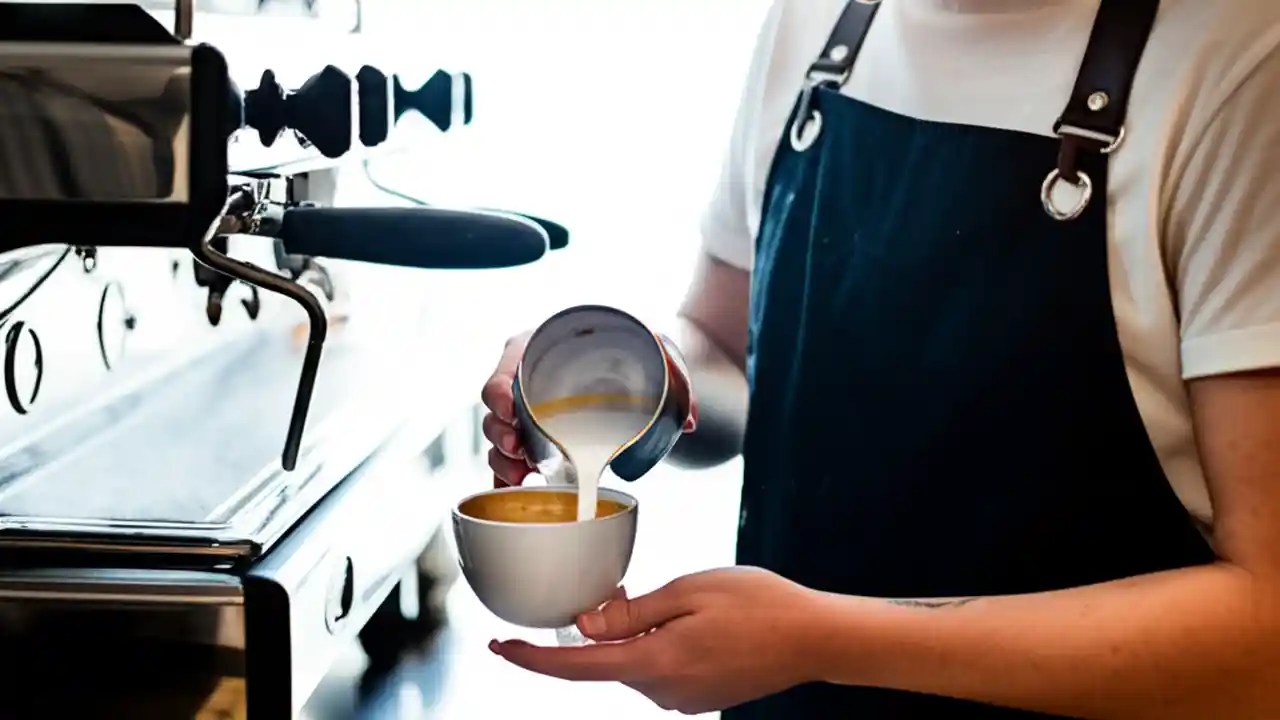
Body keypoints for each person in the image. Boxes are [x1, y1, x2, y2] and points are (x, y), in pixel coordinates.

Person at [478, 0, 1280, 717]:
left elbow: (1266, 632)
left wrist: (826, 641)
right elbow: (723, 352)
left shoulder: (1242, 59)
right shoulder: (815, 21)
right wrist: (635, 384)